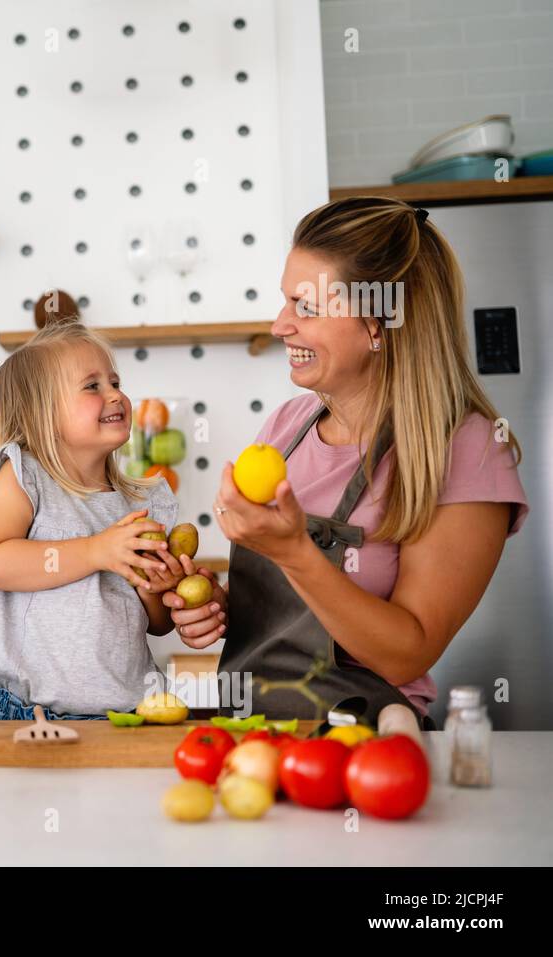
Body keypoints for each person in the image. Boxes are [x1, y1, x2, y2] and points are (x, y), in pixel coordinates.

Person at [165, 198, 528, 726]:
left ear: (379, 322)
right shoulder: (287, 427)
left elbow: (408, 651)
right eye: (284, 302)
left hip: (363, 746)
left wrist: (295, 552)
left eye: (305, 307)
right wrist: (220, 607)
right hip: (246, 737)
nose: (280, 325)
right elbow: (288, 611)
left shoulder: (465, 451)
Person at [0, 320, 189, 720]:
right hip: (29, 714)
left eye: (115, 382)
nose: (115, 394)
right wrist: (96, 550)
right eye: (93, 386)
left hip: (126, 713)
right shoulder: (25, 477)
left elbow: (157, 625)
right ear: (42, 414)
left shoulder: (143, 502)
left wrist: (158, 587)